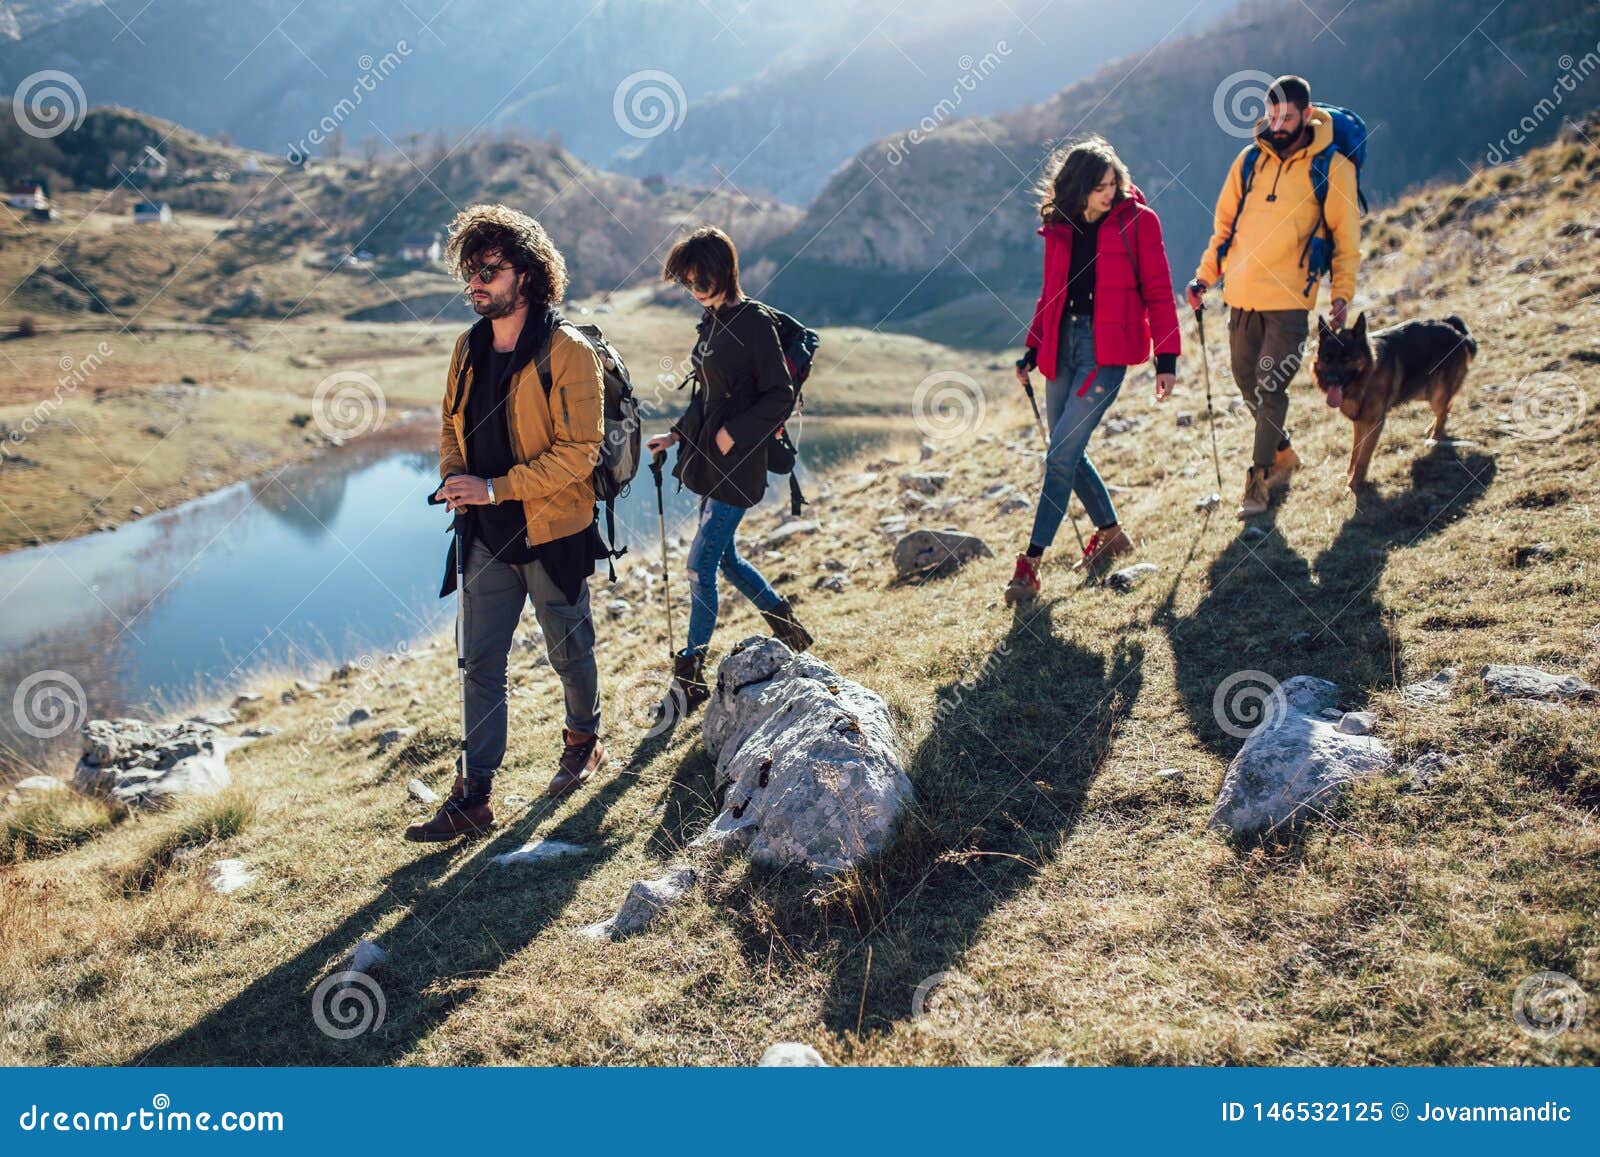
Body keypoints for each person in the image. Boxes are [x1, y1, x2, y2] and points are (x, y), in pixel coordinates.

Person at [406, 204, 607, 842]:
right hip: (485, 538)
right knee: (479, 661)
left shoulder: (568, 350)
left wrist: (495, 487)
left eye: (488, 270)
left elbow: (581, 453)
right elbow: (448, 423)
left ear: (528, 272)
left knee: (567, 647)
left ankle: (583, 739)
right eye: (470, 272)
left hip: (554, 533)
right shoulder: (467, 347)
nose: (476, 284)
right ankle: (475, 794)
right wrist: (456, 478)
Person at [644, 225, 813, 713]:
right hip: (709, 459)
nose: (695, 291)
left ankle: (691, 673)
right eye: (688, 283)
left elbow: (779, 395)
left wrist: (734, 432)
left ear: (725, 272)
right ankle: (787, 626)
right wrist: (675, 434)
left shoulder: (754, 321)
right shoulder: (712, 322)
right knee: (725, 560)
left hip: (739, 462)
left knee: (699, 565)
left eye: (702, 281)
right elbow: (705, 396)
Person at [1007, 136, 1180, 604]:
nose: (1110, 193)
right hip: (1061, 345)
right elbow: (1050, 295)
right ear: (1078, 187)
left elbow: (1160, 291)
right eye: (1100, 186)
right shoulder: (1061, 227)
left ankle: (1031, 565)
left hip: (1107, 351)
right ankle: (1111, 534)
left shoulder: (1140, 223)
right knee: (1066, 450)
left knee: (1060, 454)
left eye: (1114, 184)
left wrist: (1167, 359)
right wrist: (1031, 349)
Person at [1187, 74, 1361, 518]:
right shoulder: (1248, 161)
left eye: (1286, 116)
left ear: (1306, 114)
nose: (1278, 125)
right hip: (1241, 296)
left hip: (1289, 299)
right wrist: (1204, 278)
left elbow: (1346, 239)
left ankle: (1258, 480)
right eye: (1271, 116)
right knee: (1246, 382)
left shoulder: (1332, 166)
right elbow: (1223, 229)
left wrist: (1341, 293)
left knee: (1270, 386)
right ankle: (1282, 454)